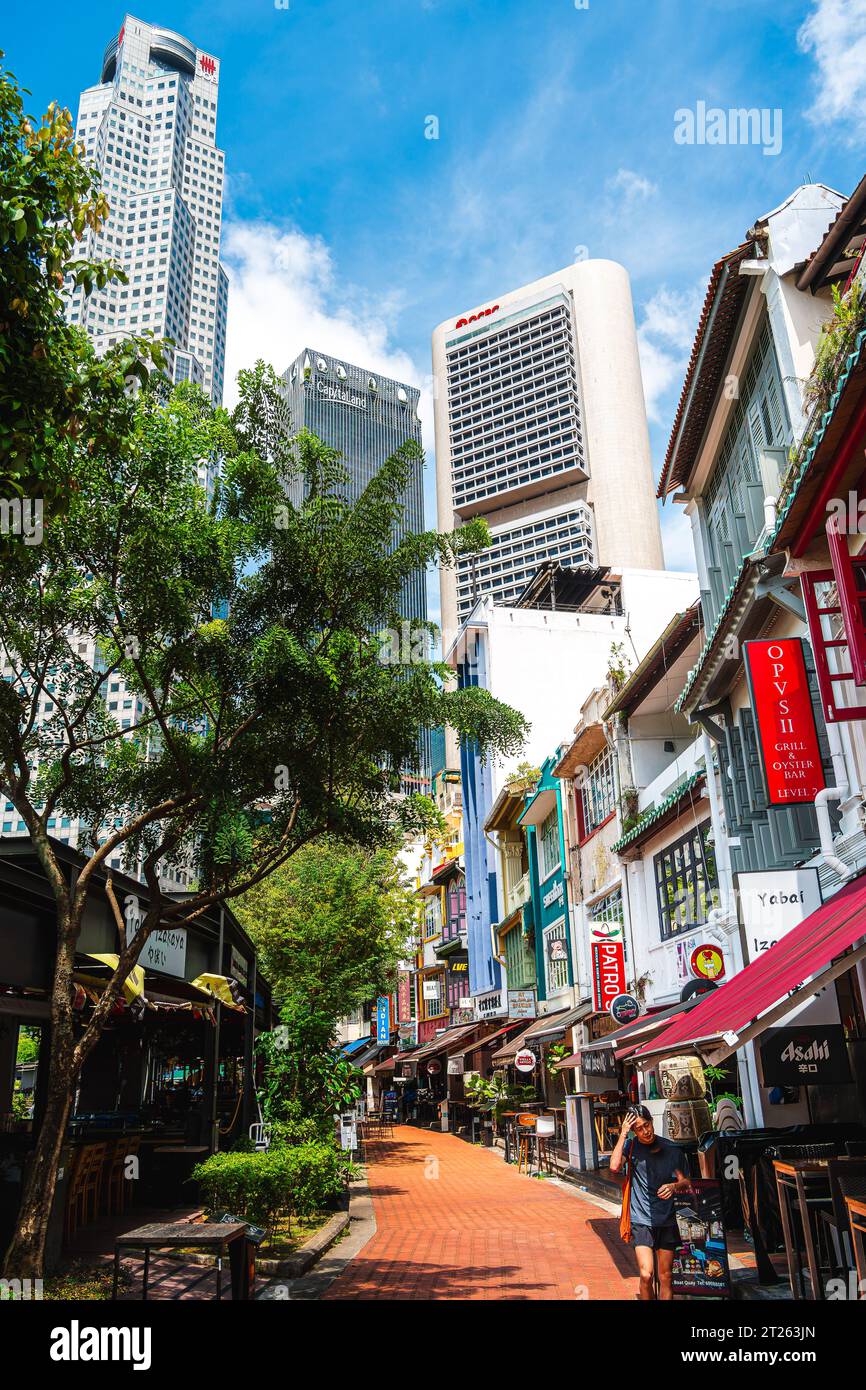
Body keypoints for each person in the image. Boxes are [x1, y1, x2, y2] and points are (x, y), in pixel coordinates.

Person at [609, 1104, 690, 1300]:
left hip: (666, 1218)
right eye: (639, 1128)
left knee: (666, 1276)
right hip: (641, 1218)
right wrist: (623, 1135)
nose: (645, 1131)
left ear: (652, 1122)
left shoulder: (671, 1149)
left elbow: (686, 1181)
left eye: (647, 1125)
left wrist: (673, 1187)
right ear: (633, 1131)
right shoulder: (631, 1147)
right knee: (646, 1274)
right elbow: (614, 1167)